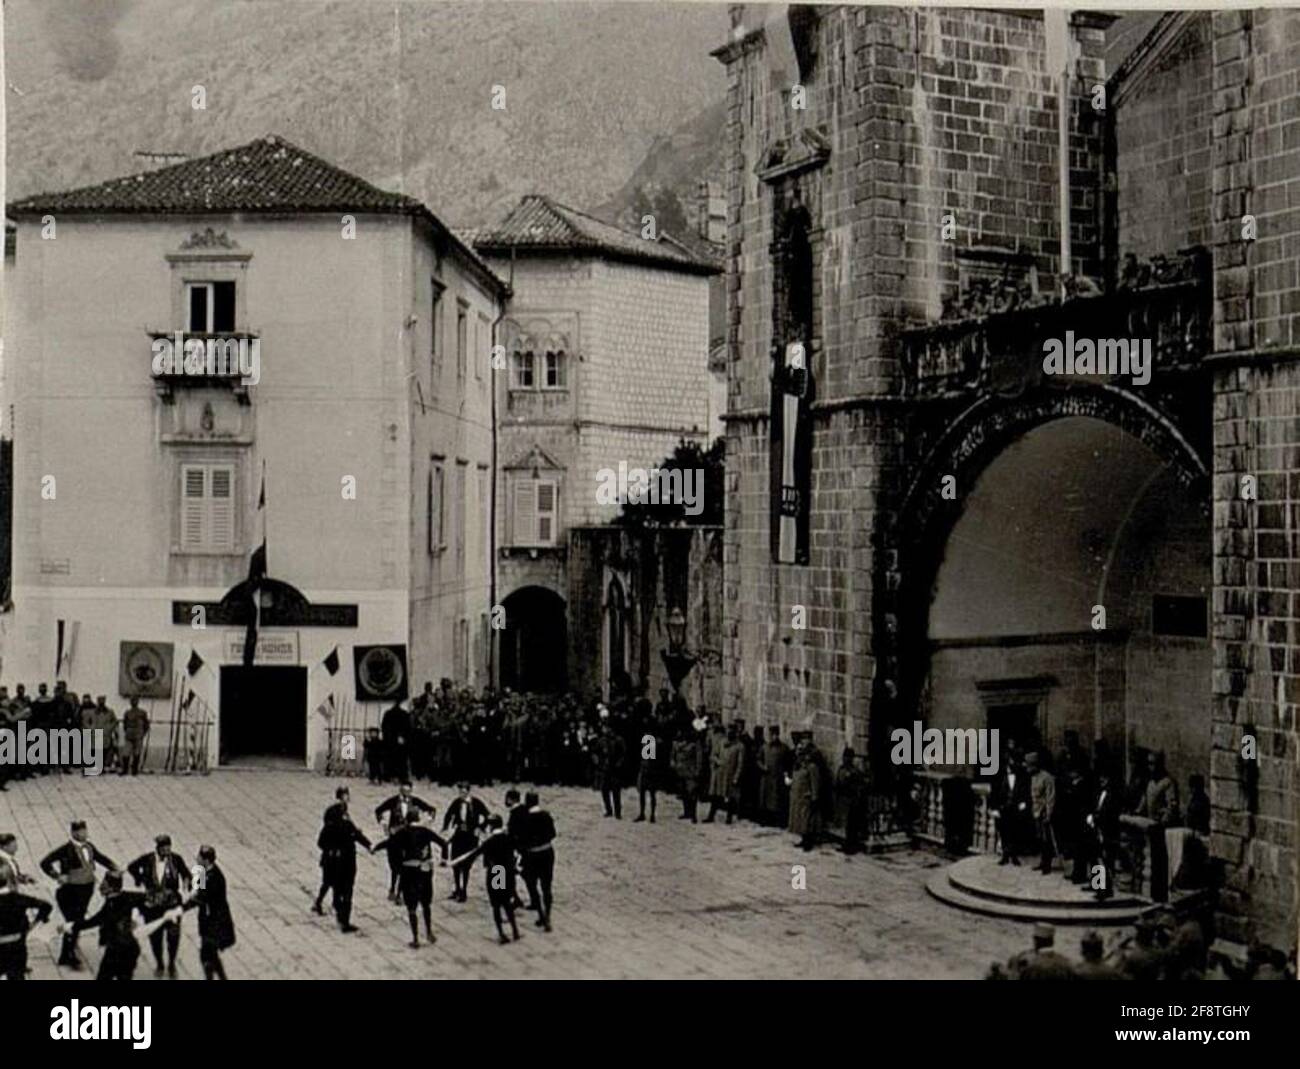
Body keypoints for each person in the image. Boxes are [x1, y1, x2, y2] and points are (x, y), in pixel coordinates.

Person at [40, 819, 119, 970]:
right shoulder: (65, 849)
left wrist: (112, 865)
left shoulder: (89, 846)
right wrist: (57, 876)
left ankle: (68, 951)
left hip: (86, 888)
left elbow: (99, 857)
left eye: (85, 831)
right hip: (71, 890)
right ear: (73, 833)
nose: (84, 834)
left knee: (78, 919)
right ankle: (67, 955)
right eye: (80, 831)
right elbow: (45, 862)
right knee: (74, 921)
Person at [372, 810, 447, 949]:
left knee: (411, 906)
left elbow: (389, 843)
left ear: (407, 820)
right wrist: (443, 860)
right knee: (426, 903)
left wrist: (375, 848)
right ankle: (429, 932)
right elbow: (443, 843)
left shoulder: (403, 832)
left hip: (410, 872)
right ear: (418, 818)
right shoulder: (426, 831)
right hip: (425, 871)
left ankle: (415, 938)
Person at [65, 870, 154, 980]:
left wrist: (73, 926)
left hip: (119, 949)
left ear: (112, 888)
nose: (100, 887)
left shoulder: (112, 907)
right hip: (127, 948)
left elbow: (95, 920)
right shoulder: (124, 897)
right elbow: (147, 897)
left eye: (104, 885)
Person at [127, 834, 191, 978]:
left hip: (172, 904)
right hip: (153, 905)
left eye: (168, 848)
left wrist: (187, 882)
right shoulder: (148, 859)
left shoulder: (176, 859)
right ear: (158, 848)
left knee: (173, 935)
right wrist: (140, 879)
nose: (166, 851)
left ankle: (172, 964)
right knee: (156, 937)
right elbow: (132, 867)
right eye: (163, 848)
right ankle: (160, 963)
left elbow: (186, 873)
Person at [452, 814, 522, 944]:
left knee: (496, 904)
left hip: (497, 872)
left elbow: (474, 853)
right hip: (509, 871)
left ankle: (502, 934)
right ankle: (515, 931)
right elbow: (519, 851)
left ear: (491, 826)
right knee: (507, 903)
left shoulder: (490, 841)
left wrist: (456, 861)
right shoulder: (508, 838)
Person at [316, 795, 373, 932]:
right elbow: (358, 836)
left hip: (332, 862)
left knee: (336, 889)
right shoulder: (347, 826)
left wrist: (330, 849)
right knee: (347, 891)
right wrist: (369, 846)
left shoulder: (328, 828)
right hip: (347, 863)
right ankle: (344, 921)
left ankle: (339, 913)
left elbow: (320, 843)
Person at [374, 782, 435, 903]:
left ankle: (400, 893)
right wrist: (384, 824)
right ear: (400, 790)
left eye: (409, 791)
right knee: (394, 864)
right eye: (404, 790)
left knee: (404, 865)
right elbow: (378, 810)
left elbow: (431, 809)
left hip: (409, 838)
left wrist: (426, 821)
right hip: (396, 835)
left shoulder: (415, 801)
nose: (407, 793)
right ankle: (392, 888)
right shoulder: (393, 801)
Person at [182, 845, 235, 979]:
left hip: (215, 922)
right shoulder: (207, 872)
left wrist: (182, 908)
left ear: (206, 860)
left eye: (200, 857)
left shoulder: (214, 878)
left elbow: (201, 897)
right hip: (208, 920)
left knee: (206, 955)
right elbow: (198, 888)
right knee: (211, 954)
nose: (197, 858)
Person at [0, 867, 53, 980]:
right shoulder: (18, 898)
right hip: (16, 944)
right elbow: (46, 906)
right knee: (16, 975)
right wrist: (35, 923)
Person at [442, 781, 490, 903]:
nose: (462, 794)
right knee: (455, 863)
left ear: (468, 791)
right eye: (460, 792)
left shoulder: (476, 803)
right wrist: (446, 827)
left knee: (466, 865)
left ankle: (464, 891)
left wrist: (480, 827)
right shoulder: (456, 802)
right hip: (458, 836)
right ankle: (457, 888)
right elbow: (449, 814)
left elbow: (487, 815)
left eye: (464, 792)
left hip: (470, 837)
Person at [518, 791, 557, 932]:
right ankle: (547, 916)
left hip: (532, 855)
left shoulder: (525, 818)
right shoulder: (546, 816)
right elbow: (553, 834)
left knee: (532, 885)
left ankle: (541, 914)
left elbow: (521, 839)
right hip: (547, 853)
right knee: (547, 886)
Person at [1087, 771, 1122, 900]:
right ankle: (1097, 885)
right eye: (1101, 777)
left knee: (1105, 860)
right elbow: (1097, 808)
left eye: (1105, 778)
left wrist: (1098, 819)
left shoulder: (1113, 795)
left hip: (1108, 831)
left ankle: (1105, 890)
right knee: (1096, 857)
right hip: (1097, 829)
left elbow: (1110, 814)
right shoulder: (1099, 793)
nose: (1102, 780)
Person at [989, 753, 1030, 866]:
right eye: (1010, 764)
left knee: (1015, 833)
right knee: (1004, 832)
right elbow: (994, 794)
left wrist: (1023, 803)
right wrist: (995, 808)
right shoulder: (999, 778)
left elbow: (1025, 793)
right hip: (1003, 809)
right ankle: (1005, 856)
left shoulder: (1021, 778)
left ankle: (1014, 856)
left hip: (1015, 809)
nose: (1011, 767)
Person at [1005, 922, 1074, 981]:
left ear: (1035, 940)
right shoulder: (1065, 962)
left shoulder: (1026, 962)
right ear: (1052, 941)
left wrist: (1015, 966)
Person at [1026, 752, 1056, 874]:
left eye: (1030, 766)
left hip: (1044, 813)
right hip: (1036, 812)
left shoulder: (1047, 778)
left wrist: (1049, 814)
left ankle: (1047, 865)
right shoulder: (1033, 777)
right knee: (1040, 840)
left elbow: (1050, 797)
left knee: (1046, 840)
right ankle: (1042, 862)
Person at [834, 748, 868, 854]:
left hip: (851, 801)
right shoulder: (841, 769)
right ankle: (846, 843)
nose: (846, 759)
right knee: (845, 824)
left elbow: (859, 787)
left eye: (848, 757)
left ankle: (851, 845)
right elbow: (837, 783)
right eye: (845, 757)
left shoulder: (855, 772)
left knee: (852, 825)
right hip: (843, 801)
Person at [787, 744, 820, 851]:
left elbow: (815, 783)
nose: (799, 755)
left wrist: (814, 797)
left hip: (806, 797)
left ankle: (808, 842)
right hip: (798, 797)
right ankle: (803, 839)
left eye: (802, 753)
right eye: (798, 753)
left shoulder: (812, 767)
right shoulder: (798, 766)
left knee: (807, 821)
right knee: (800, 820)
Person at [592, 722, 626, 819]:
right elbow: (595, 752)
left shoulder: (619, 740)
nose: (605, 730)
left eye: (607, 728)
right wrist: (597, 760)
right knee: (604, 790)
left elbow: (623, 754)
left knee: (616, 791)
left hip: (615, 769)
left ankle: (618, 812)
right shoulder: (601, 740)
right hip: (604, 768)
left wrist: (619, 764)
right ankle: (608, 810)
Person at [671, 726, 702, 823]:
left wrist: (697, 770)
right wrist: (674, 764)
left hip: (691, 771)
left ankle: (693, 814)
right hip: (680, 771)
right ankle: (686, 812)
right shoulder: (676, 744)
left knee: (692, 793)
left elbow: (699, 758)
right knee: (684, 793)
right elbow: (673, 756)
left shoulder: (695, 745)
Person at [760, 726, 790, 826]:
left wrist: (785, 775)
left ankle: (778, 821)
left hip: (778, 778)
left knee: (777, 800)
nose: (774, 737)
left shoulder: (784, 748)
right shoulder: (765, 747)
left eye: (775, 735)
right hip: (767, 777)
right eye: (772, 735)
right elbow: (758, 759)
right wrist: (762, 766)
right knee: (766, 799)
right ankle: (766, 820)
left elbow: (787, 763)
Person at [634, 719, 661, 824]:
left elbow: (648, 756)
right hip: (650, 768)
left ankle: (645, 814)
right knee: (650, 793)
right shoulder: (654, 739)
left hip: (648, 768)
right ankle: (650, 815)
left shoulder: (648, 739)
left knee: (645, 793)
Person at [381, 700, 411, 783]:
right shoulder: (403, 714)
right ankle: (396, 776)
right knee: (398, 760)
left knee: (398, 760)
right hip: (395, 740)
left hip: (393, 740)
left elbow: (384, 727)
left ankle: (394, 776)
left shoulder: (390, 714)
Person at [119, 696, 149, 776]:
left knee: (137, 753)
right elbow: (125, 724)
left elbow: (146, 725)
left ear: (137, 702)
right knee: (126, 753)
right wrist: (128, 731)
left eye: (135, 701)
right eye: (132, 701)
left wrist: (142, 733)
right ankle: (125, 770)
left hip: (138, 735)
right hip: (129, 735)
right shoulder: (127, 713)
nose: (134, 703)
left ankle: (134, 770)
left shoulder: (142, 713)